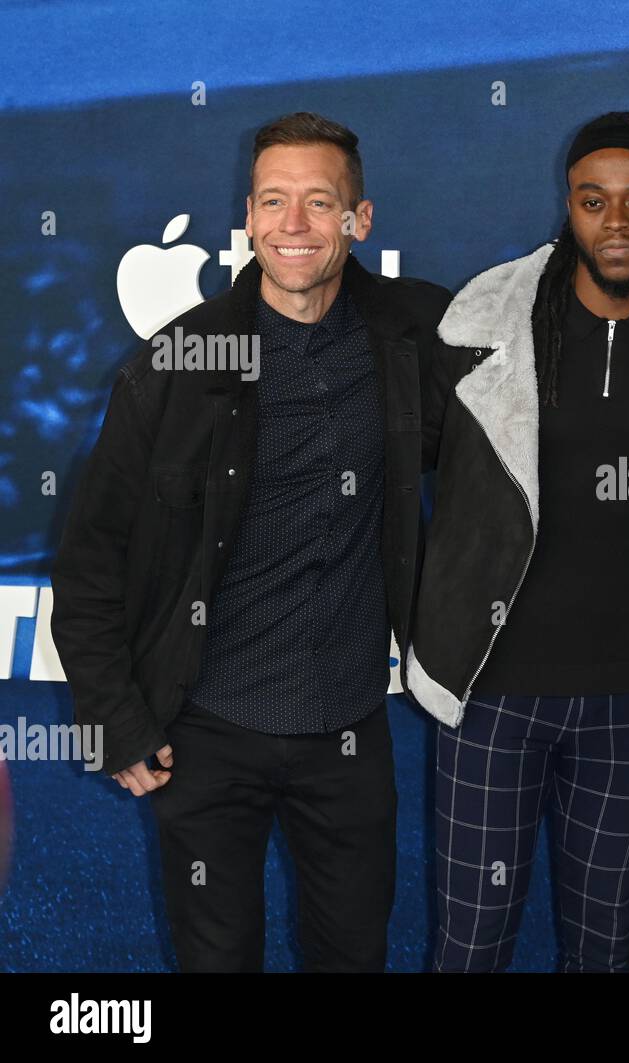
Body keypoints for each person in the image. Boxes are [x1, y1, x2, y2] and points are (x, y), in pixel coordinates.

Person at [51, 112, 451, 971]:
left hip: (348, 734)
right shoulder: (176, 364)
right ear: (248, 217)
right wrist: (115, 721)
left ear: (361, 219)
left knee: (352, 957)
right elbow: (90, 564)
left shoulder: (417, 340)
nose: (294, 224)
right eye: (274, 201)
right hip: (203, 739)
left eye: (319, 201)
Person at [403, 112, 629, 971]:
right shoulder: (479, 329)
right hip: (491, 692)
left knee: (604, 946)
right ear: (568, 207)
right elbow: (394, 475)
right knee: (470, 943)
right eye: (595, 201)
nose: (619, 222)